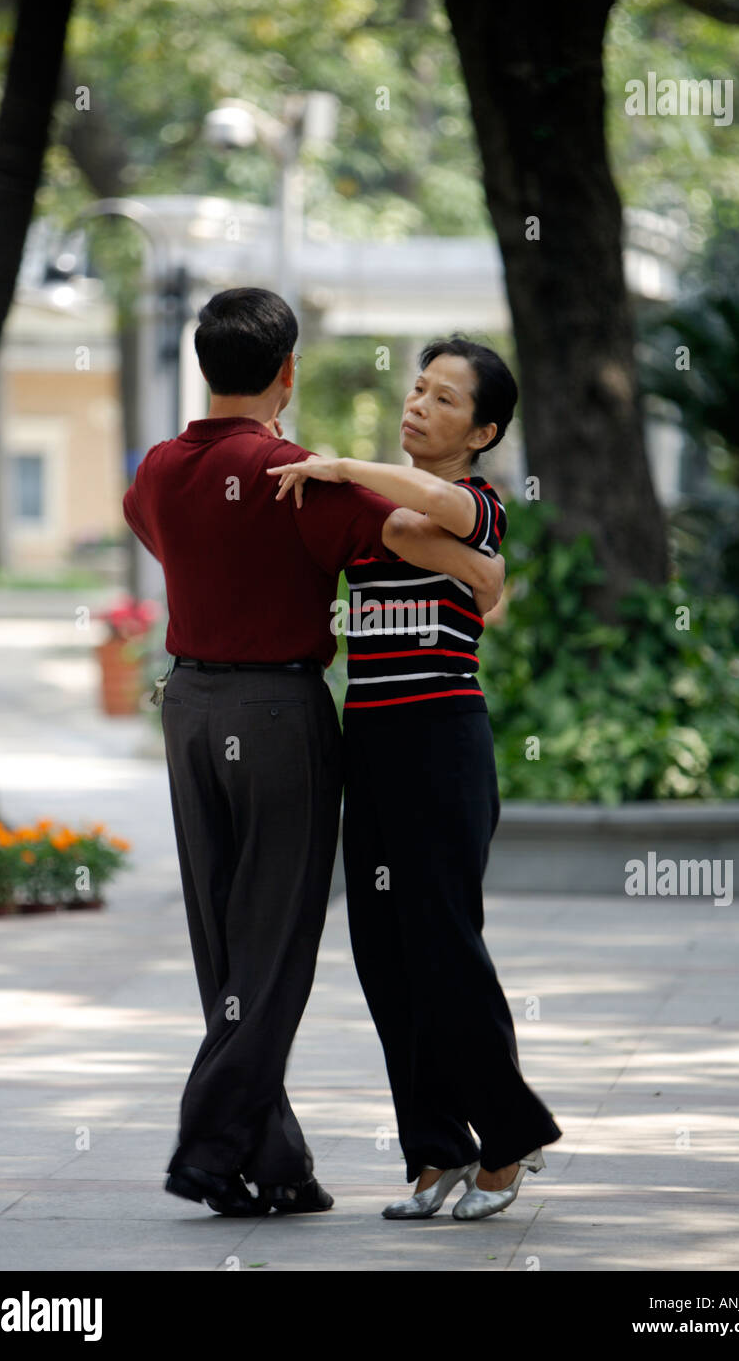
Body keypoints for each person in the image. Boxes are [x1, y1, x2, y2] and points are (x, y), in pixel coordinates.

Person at [122, 291, 506, 1218]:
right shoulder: (299, 474)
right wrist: (487, 574)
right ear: (287, 373)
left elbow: (163, 533)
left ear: (205, 365)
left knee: (220, 935)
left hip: (188, 708)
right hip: (279, 712)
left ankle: (278, 1164)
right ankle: (211, 1147)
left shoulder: (156, 470)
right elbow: (418, 538)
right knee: (279, 941)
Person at [268, 335, 563, 1221]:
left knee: (443, 948)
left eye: (443, 400)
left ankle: (509, 1140)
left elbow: (424, 512)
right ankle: (434, 1153)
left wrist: (352, 469)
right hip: (373, 743)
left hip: (442, 743)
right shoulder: (374, 513)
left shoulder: (481, 503)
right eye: (417, 389)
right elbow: (393, 529)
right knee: (383, 957)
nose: (417, 406)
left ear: (484, 432)